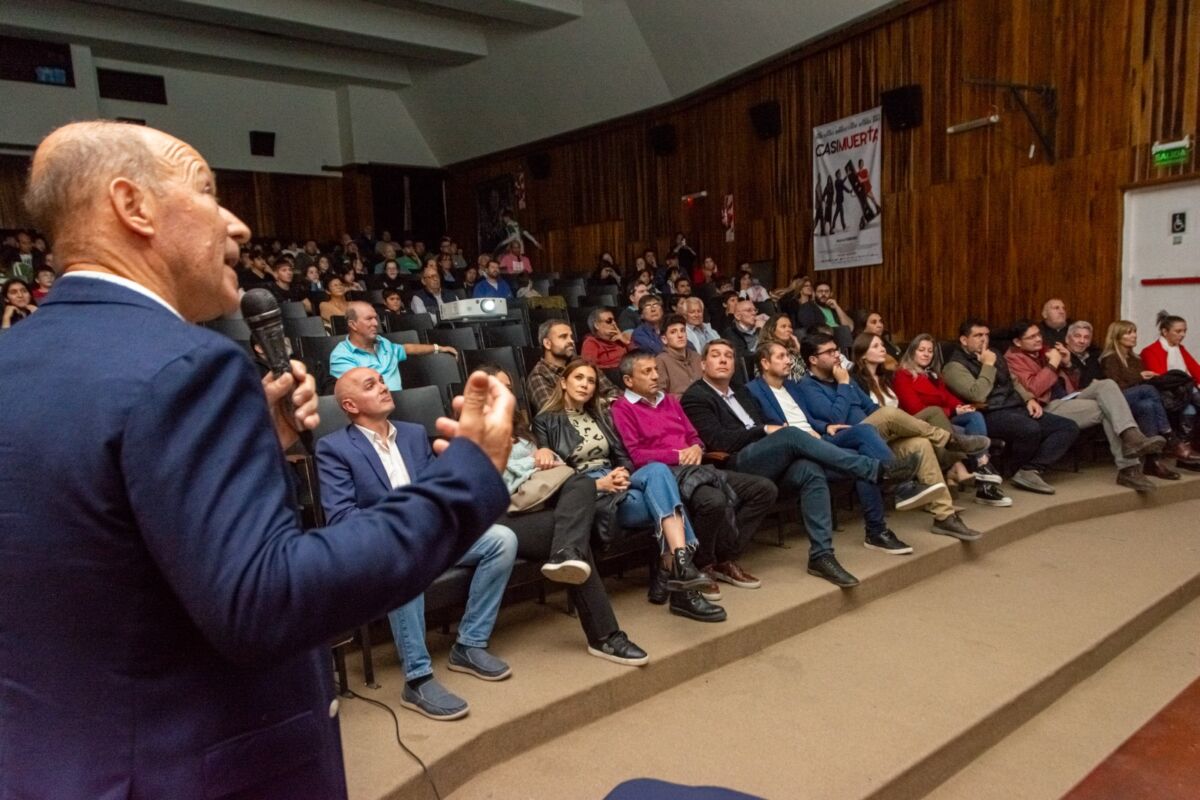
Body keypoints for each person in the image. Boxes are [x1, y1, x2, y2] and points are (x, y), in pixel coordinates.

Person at [0, 120, 514, 799]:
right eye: (209, 193)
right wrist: (466, 475)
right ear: (133, 207)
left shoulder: (15, 362)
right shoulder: (187, 364)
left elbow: (93, 542)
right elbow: (265, 602)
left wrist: (245, 448)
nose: (237, 226)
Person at [317, 369, 517, 720]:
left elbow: (437, 488)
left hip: (431, 531)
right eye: (370, 385)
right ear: (350, 405)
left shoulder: (411, 434)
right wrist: (401, 528)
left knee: (502, 539)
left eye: (381, 380)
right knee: (404, 558)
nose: (382, 386)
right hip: (385, 543)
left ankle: (469, 644)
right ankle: (417, 677)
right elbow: (341, 517)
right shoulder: (333, 448)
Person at [681, 340, 921, 587]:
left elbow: (765, 421)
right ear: (702, 364)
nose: (723, 360)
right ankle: (876, 470)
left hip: (767, 458)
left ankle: (821, 555)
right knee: (792, 434)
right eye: (716, 355)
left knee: (810, 471)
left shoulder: (740, 391)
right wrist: (764, 429)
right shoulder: (696, 396)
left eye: (729, 356)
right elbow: (719, 440)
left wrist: (772, 429)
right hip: (735, 464)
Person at [482, 364, 649, 666]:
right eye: (497, 388)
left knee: (580, 486)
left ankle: (567, 557)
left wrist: (547, 456)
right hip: (502, 520)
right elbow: (494, 485)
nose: (506, 393)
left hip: (539, 510)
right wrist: (532, 463)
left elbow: (557, 472)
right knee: (576, 539)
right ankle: (606, 637)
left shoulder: (523, 432)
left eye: (509, 387)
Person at [533, 359, 723, 622]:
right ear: (563, 383)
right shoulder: (545, 421)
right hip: (589, 490)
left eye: (591, 381)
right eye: (579, 378)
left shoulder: (600, 414)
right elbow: (553, 475)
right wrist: (598, 484)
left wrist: (621, 473)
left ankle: (678, 561)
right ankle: (683, 580)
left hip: (620, 480)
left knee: (658, 470)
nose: (586, 385)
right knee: (670, 504)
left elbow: (623, 455)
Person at [612, 352, 777, 595]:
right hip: (666, 475)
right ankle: (704, 564)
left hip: (697, 468)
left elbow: (695, 438)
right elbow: (637, 455)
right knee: (714, 501)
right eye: (646, 372)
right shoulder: (622, 408)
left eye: (655, 369)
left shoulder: (670, 401)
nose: (656, 375)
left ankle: (723, 556)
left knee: (764, 490)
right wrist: (677, 455)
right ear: (628, 381)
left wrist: (696, 449)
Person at [747, 341, 930, 556]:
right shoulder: (752, 391)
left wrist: (825, 426)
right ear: (765, 363)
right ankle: (891, 499)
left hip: (821, 440)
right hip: (795, 453)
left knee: (864, 439)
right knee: (865, 462)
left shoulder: (793, 388)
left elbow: (810, 419)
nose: (789, 361)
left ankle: (879, 523)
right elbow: (759, 428)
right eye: (781, 357)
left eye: (788, 356)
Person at [798, 332, 985, 541]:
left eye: (836, 350)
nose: (837, 355)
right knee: (888, 414)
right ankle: (948, 440)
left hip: (873, 435)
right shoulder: (808, 386)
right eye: (830, 352)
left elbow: (870, 407)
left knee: (920, 444)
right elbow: (835, 419)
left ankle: (945, 516)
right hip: (845, 438)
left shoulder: (845, 379)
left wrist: (890, 425)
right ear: (813, 360)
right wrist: (842, 384)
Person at [1004, 319, 1164, 492]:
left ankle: (1131, 435)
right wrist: (1054, 363)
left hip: (1070, 398)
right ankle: (1129, 468)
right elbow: (1033, 389)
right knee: (1107, 409)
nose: (1038, 339)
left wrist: (1068, 364)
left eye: (1038, 334)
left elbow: (1070, 382)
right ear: (1017, 342)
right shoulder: (1013, 359)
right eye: (1031, 337)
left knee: (1107, 384)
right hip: (1047, 406)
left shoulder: (1045, 352)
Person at [942, 318, 1080, 494]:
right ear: (964, 340)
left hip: (1015, 405)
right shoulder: (954, 366)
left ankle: (1030, 469)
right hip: (988, 412)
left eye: (986, 335)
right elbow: (977, 394)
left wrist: (1029, 398)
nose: (984, 339)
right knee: (1029, 429)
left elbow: (1013, 380)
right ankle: (1016, 468)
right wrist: (988, 365)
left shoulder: (994, 354)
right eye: (978, 335)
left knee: (1068, 427)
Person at [893, 334, 1009, 506]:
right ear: (912, 353)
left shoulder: (933, 375)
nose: (926, 354)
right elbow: (914, 408)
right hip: (919, 421)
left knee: (974, 416)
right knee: (948, 423)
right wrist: (952, 410)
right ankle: (962, 470)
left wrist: (962, 407)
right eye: (921, 350)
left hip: (943, 418)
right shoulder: (903, 375)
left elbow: (946, 397)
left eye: (930, 351)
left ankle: (981, 465)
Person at [1099, 320, 1194, 476]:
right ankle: (1170, 435)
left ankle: (1152, 463)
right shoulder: (1109, 358)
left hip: (1136, 400)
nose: (1134, 335)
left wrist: (1147, 378)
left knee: (1148, 406)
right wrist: (1140, 377)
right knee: (1148, 390)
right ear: (1117, 336)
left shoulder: (1136, 359)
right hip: (1117, 402)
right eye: (1129, 332)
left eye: (1135, 331)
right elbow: (1114, 387)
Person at [328, 301, 454, 391]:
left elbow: (406, 349)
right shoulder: (341, 356)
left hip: (401, 406)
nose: (376, 323)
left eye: (375, 318)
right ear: (353, 324)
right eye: (369, 319)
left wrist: (438, 348)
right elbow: (357, 392)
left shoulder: (383, 342)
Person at [526, 319, 618, 412]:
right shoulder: (538, 376)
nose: (571, 341)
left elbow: (614, 392)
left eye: (571, 337)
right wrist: (599, 403)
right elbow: (553, 414)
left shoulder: (582, 363)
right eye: (563, 337)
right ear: (547, 343)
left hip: (604, 420)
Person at [655, 314, 702, 397]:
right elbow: (660, 395)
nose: (680, 335)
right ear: (664, 339)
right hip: (679, 406)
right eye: (673, 332)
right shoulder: (661, 360)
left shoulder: (696, 357)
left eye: (682, 330)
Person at [755, 313, 805, 381]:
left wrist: (799, 351)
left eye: (790, 326)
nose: (789, 329)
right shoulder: (765, 350)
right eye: (783, 326)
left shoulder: (792, 348)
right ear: (772, 330)